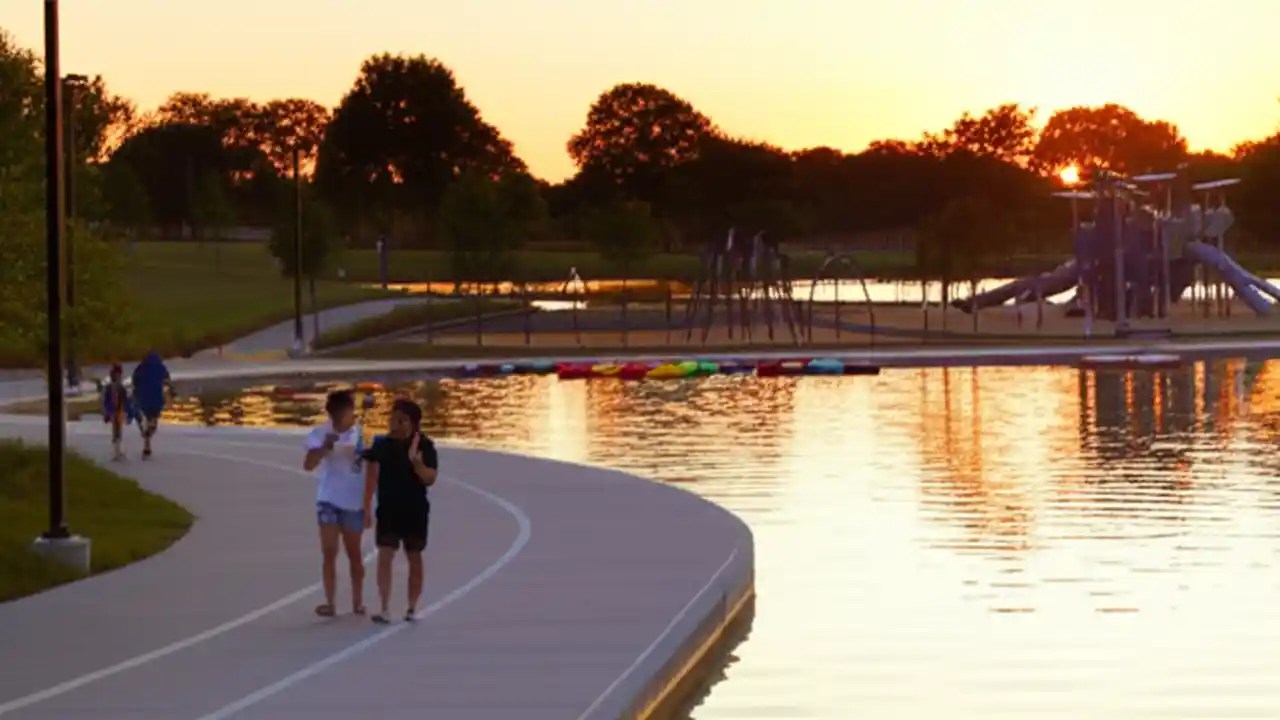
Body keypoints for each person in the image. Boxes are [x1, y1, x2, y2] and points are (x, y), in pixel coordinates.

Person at [362, 398, 437, 624]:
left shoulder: (425, 445)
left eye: (402, 420)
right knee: (385, 555)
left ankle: (412, 607)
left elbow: (430, 478)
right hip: (388, 508)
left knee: (414, 556)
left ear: (414, 423)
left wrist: (416, 463)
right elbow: (370, 472)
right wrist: (366, 506)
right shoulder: (382, 444)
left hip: (415, 509)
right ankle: (384, 606)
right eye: (393, 419)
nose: (396, 424)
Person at [304, 391, 367, 617]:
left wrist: (370, 504)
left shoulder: (361, 433)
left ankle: (357, 601)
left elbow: (371, 466)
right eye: (337, 416)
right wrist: (323, 448)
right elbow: (308, 465)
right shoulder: (319, 433)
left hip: (353, 500)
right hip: (328, 498)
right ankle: (330, 602)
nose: (342, 420)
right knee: (329, 551)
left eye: (346, 414)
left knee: (354, 553)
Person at [131, 351, 170, 459]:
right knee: (153, 421)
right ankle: (147, 439)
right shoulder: (161, 367)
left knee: (146, 419)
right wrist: (168, 395)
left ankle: (146, 441)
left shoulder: (141, 367)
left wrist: (136, 394)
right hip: (156, 399)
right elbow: (167, 381)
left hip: (143, 399)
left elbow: (134, 381)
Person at [100, 364, 137, 461]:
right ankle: (117, 451)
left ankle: (116, 450)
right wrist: (129, 412)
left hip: (115, 410)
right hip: (117, 410)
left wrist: (106, 412)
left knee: (116, 430)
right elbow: (126, 401)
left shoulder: (110, 387)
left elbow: (104, 400)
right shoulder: (119, 387)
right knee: (117, 430)